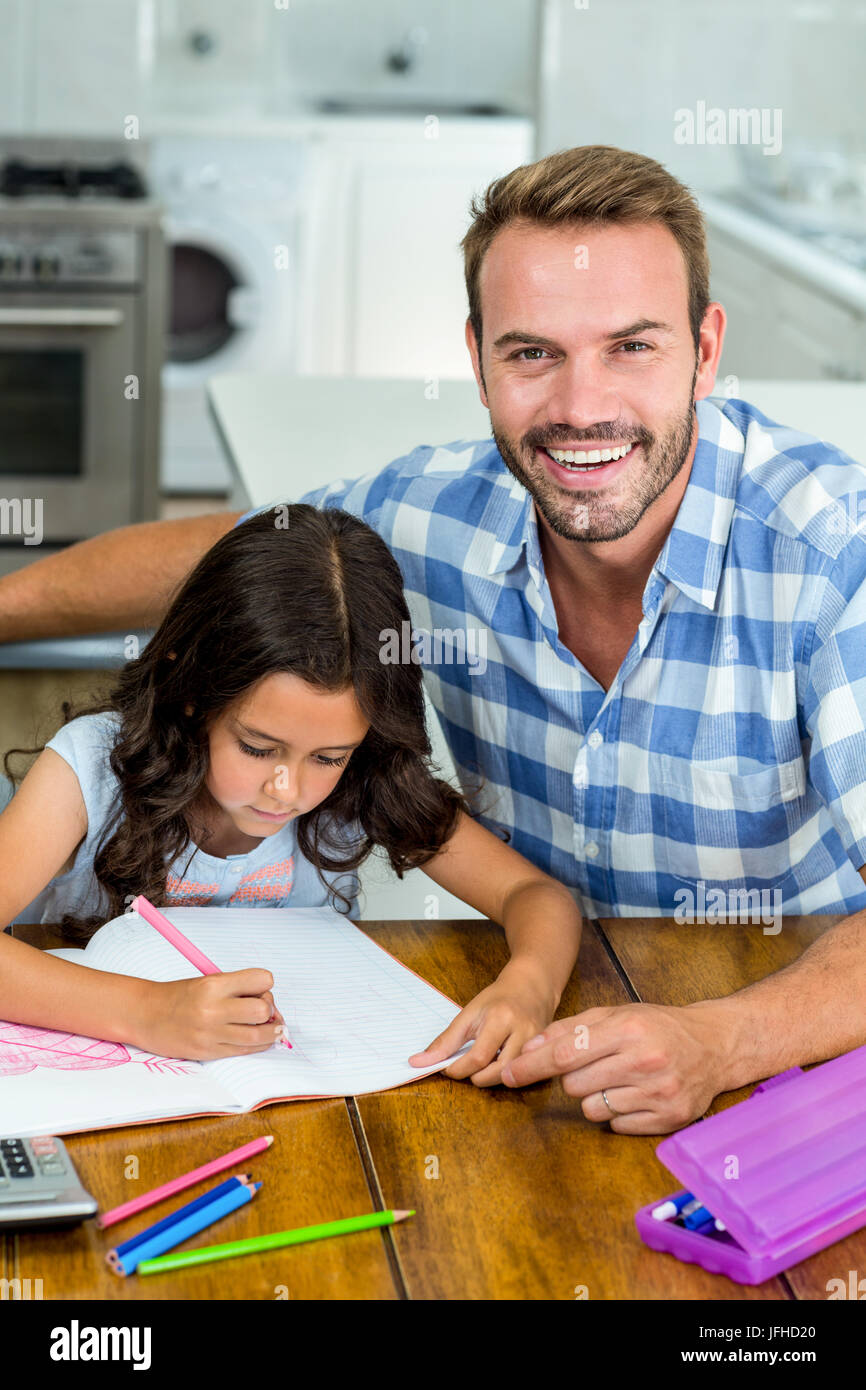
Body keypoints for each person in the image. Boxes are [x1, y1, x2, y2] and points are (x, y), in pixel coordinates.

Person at [3, 143, 866, 1133]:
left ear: (705, 349)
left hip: (781, 1042)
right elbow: (226, 558)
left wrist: (725, 1043)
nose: (581, 406)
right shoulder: (434, 513)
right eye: (531, 352)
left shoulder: (828, 555)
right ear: (477, 358)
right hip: (524, 1042)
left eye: (631, 346)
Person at [0, 506, 581, 1071]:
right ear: (194, 692)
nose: (287, 789)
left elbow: (533, 894)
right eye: (257, 747)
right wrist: (147, 1011)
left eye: (328, 757)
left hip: (294, 1082)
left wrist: (530, 984)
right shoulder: (90, 770)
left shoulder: (363, 784)